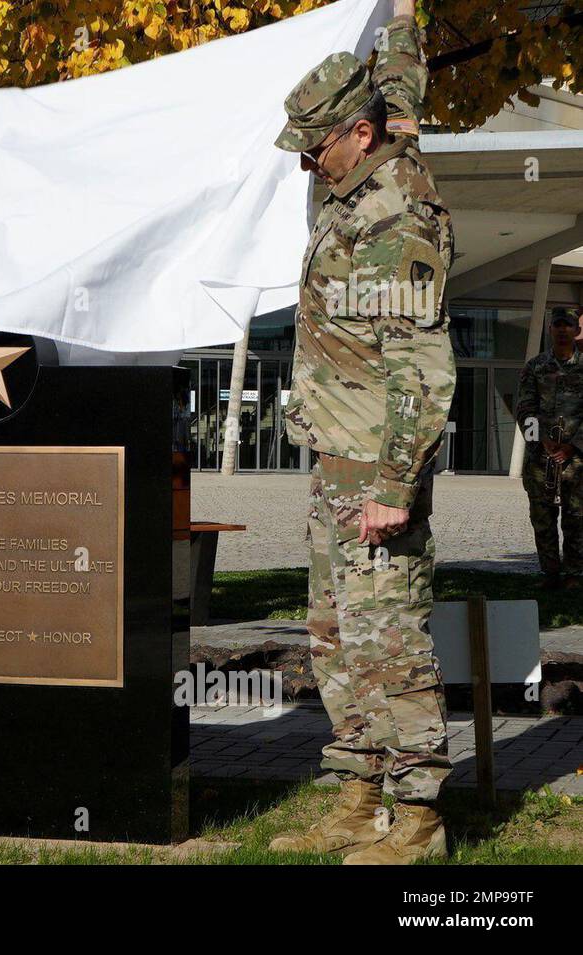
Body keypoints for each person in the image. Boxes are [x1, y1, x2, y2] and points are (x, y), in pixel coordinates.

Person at [266, 0, 457, 864]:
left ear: (356, 132)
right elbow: (399, 80)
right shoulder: (375, 151)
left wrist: (392, 488)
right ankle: (358, 791)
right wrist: (404, 19)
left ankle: (418, 816)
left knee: (390, 640)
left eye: (315, 147)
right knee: (335, 636)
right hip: (334, 460)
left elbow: (425, 368)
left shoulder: (395, 221)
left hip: (376, 466)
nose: (307, 163)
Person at [515, 309, 583, 590]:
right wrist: (541, 440)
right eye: (558, 324)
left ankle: (575, 575)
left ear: (576, 329)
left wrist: (572, 446)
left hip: (577, 460)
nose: (563, 329)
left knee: (577, 519)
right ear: (551, 329)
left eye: (568, 324)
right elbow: (524, 408)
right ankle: (550, 574)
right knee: (542, 518)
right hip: (540, 458)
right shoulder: (536, 366)